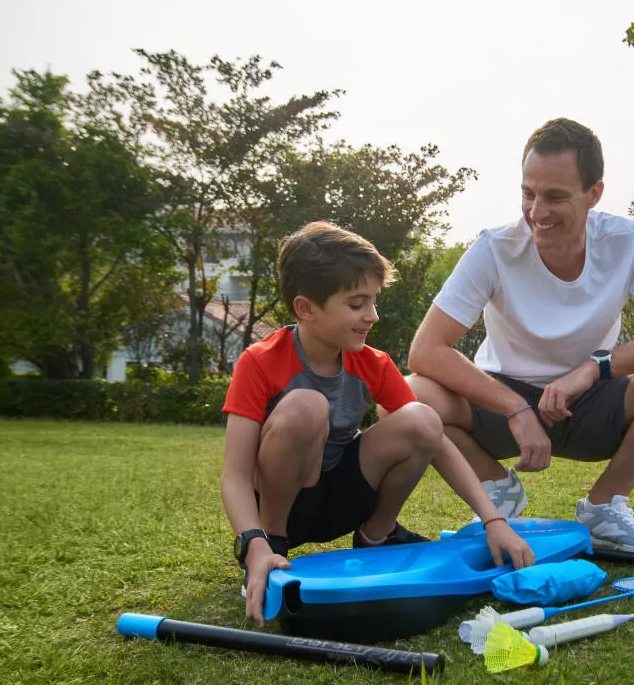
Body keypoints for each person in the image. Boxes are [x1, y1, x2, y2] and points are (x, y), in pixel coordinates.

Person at [406, 118, 634, 555]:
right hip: (500, 407)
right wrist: (516, 408)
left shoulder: (624, 240)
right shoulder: (493, 248)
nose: (537, 212)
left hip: (592, 403)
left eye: (555, 196)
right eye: (528, 193)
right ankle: (495, 492)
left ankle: (603, 509)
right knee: (411, 395)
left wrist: (596, 368)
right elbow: (425, 350)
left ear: (594, 193)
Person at [221, 221, 535, 627]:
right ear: (306, 309)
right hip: (283, 508)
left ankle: (378, 534)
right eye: (356, 303)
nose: (372, 315)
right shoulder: (260, 361)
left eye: (372, 300)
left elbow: (435, 440)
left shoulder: (373, 363)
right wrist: (254, 543)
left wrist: (494, 520)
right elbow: (234, 476)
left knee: (421, 416)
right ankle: (273, 545)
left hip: (343, 500)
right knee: (306, 407)